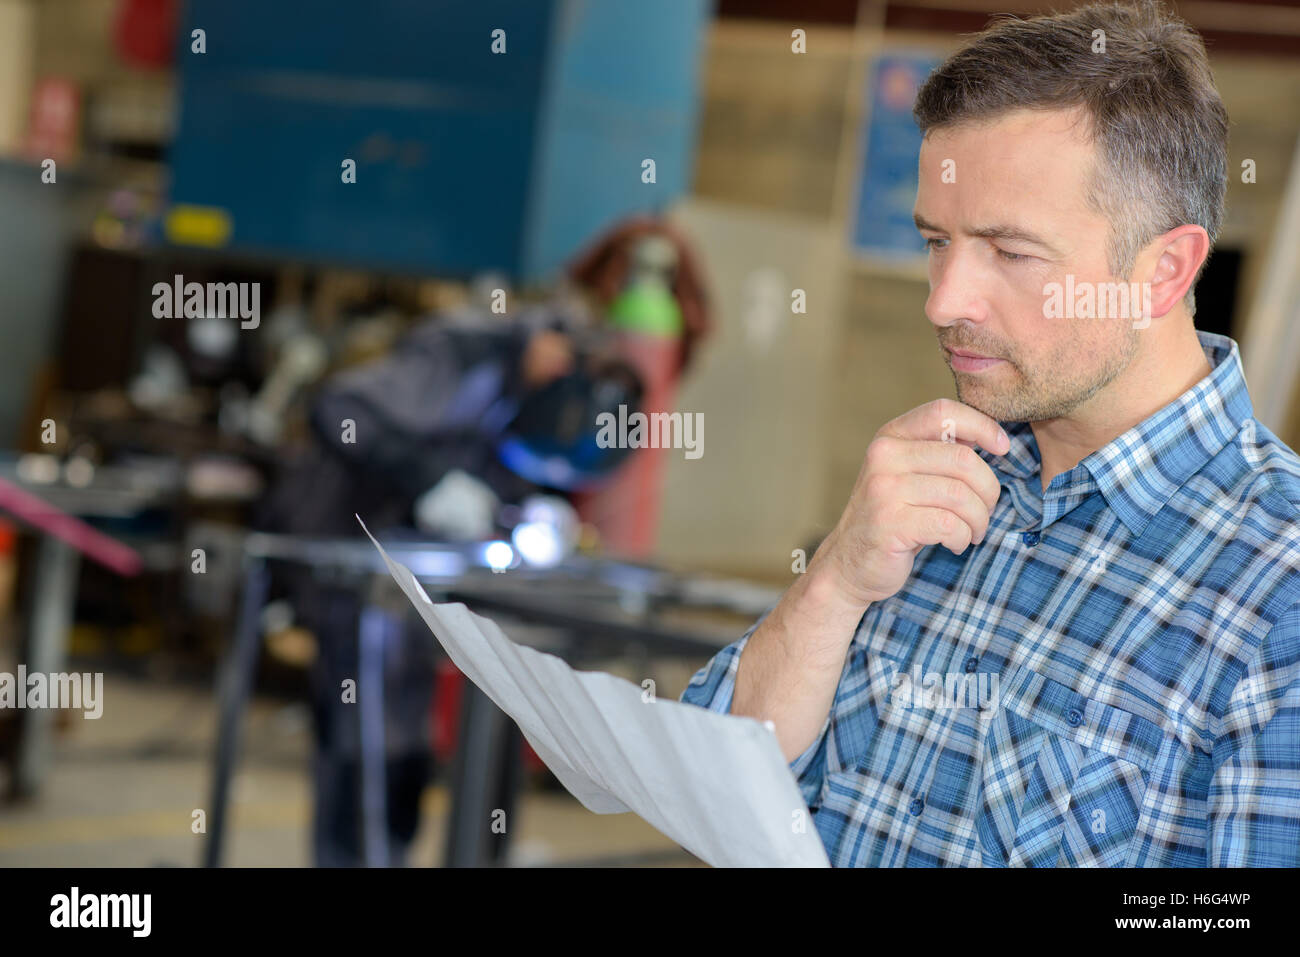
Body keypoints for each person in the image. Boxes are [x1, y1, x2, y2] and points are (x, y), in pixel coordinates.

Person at [681, 0, 1300, 867]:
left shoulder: (1278, 597)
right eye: (938, 241)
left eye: (1010, 252)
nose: (943, 301)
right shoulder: (933, 488)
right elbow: (713, 797)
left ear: (1162, 271)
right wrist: (832, 587)